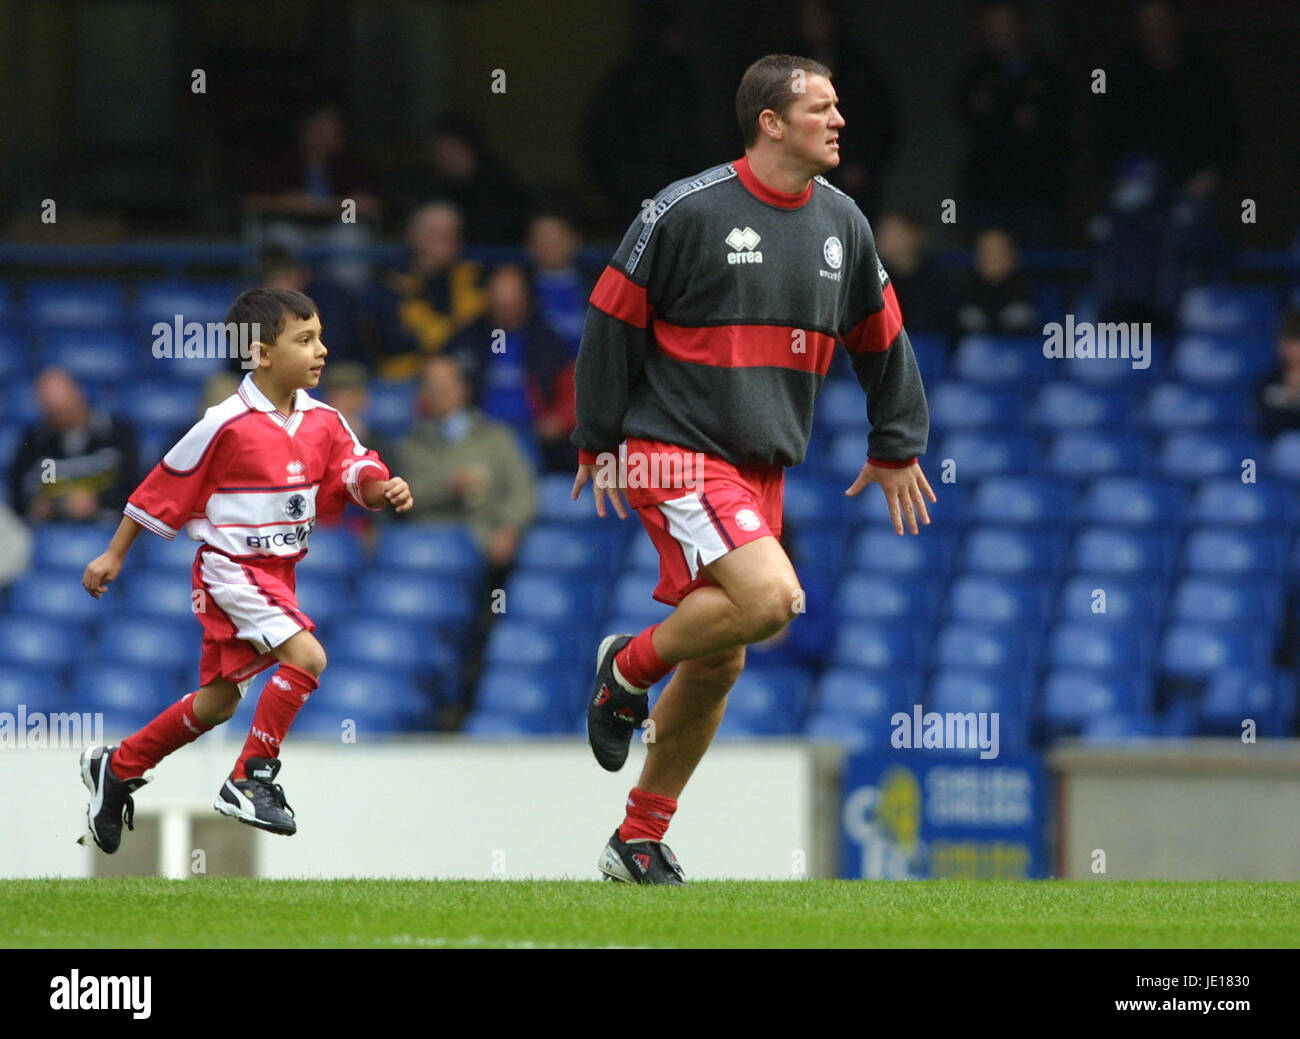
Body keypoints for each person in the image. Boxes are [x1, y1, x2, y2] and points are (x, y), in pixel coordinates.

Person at [571, 54, 933, 884]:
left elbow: (881, 336)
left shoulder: (844, 222)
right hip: (675, 447)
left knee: (722, 656)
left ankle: (637, 838)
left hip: (757, 466)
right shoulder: (684, 209)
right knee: (774, 600)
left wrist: (896, 441)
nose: (839, 120)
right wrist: (598, 437)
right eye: (821, 107)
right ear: (771, 121)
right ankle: (625, 668)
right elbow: (608, 316)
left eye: (840, 105)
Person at [77, 288, 412, 855]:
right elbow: (161, 488)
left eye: (320, 337)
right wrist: (113, 555)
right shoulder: (223, 423)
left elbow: (355, 470)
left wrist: (383, 488)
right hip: (229, 570)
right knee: (309, 657)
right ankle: (251, 776)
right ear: (261, 354)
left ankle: (119, 764)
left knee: (219, 703)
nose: (321, 350)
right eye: (304, 340)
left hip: (278, 575)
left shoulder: (326, 420)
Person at [396, 355, 538, 574]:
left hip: (487, 542)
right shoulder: (411, 445)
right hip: (432, 546)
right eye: (432, 387)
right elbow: (407, 498)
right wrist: (447, 488)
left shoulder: (497, 437)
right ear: (423, 394)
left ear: (463, 388)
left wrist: (509, 529)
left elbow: (523, 490)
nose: (440, 393)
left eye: (446, 385)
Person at [953, 0, 1066, 245]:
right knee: (989, 263)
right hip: (987, 188)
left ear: (1023, 27)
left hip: (1037, 188)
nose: (999, 32)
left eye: (1005, 24)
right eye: (992, 26)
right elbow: (965, 117)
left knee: (1040, 262)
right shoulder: (974, 72)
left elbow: (1056, 124)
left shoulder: (1047, 72)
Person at [447, 263, 578, 473]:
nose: (506, 307)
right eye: (500, 302)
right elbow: (438, 384)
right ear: (488, 298)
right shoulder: (467, 339)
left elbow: (575, 392)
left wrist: (558, 421)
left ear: (526, 300)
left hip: (532, 435)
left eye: (512, 302)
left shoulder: (550, 342)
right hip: (475, 432)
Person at [369, 201, 487, 379]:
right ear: (413, 236)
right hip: (403, 380)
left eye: (452, 233)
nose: (445, 240)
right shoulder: (389, 283)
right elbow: (393, 341)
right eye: (435, 233)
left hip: (461, 378)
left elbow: (477, 334)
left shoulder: (473, 278)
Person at [8, 368, 139, 524]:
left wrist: (96, 502)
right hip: (51, 532)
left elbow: (135, 488)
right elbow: (19, 495)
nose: (61, 417)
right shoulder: (34, 442)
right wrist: (49, 506)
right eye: (53, 412)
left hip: (109, 528)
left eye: (64, 409)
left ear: (79, 394)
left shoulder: (117, 433)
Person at [952, 227, 1038, 338]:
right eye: (985, 252)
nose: (991, 258)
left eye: (998, 251)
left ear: (1013, 256)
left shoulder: (1033, 294)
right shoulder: (959, 294)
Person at [1258, 308, 1300, 439]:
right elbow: (1264, 424)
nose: (1288, 347)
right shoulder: (1268, 383)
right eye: (1285, 339)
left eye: (1295, 340)